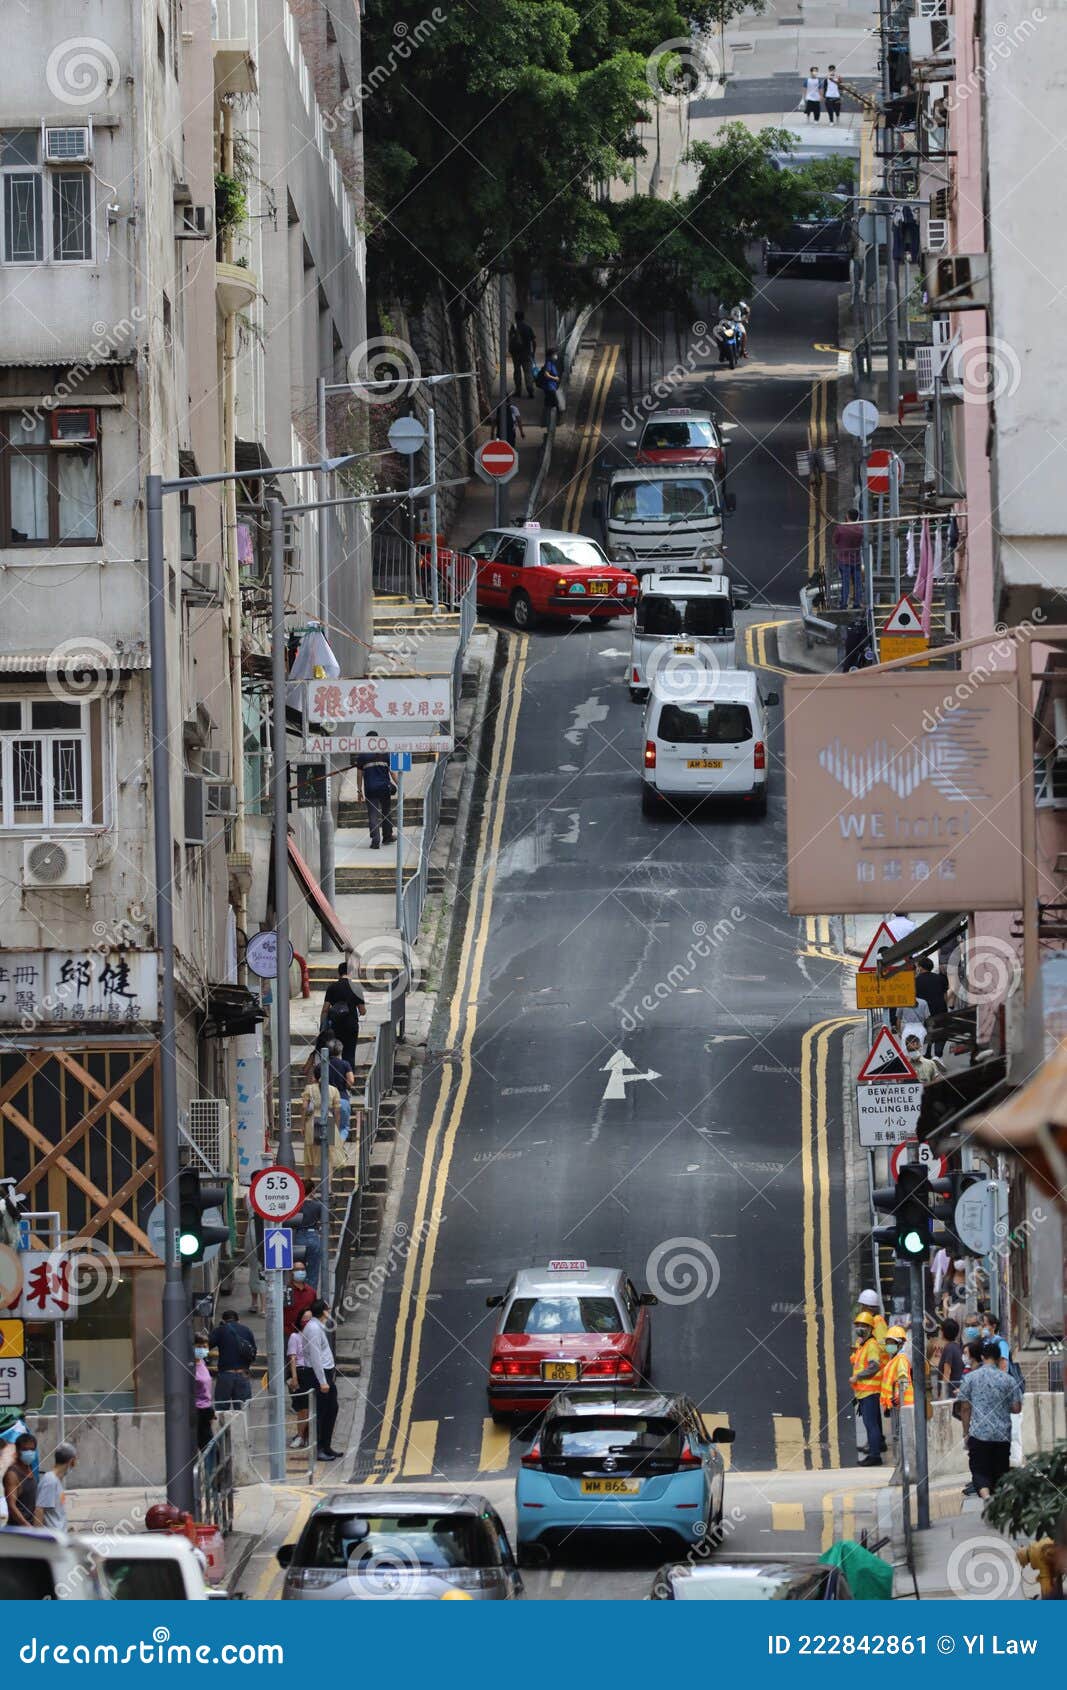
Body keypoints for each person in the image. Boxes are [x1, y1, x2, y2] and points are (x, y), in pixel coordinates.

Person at [957, 1340, 1022, 1499]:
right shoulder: (1008, 1380)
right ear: (1000, 1358)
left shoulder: (970, 1378)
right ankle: (999, 1502)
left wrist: (966, 1432)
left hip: (979, 1434)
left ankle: (986, 1498)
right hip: (1002, 1435)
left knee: (980, 1471)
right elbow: (1016, 1408)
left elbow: (965, 1408)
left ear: (982, 1357)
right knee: (1000, 1472)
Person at [304, 1298, 341, 1460]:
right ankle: (319, 1449)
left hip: (326, 1373)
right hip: (319, 1375)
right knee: (321, 1411)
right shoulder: (313, 1329)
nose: (330, 1311)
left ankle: (326, 1446)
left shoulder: (318, 1326)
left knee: (332, 1408)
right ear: (324, 1311)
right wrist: (323, 1381)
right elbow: (315, 1357)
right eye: (328, 1309)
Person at [850, 1311, 886, 1466]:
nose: (860, 1328)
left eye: (863, 1325)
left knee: (871, 1425)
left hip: (870, 1391)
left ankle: (875, 1455)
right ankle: (874, 1453)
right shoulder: (863, 1345)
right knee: (870, 1424)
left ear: (871, 1328)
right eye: (858, 1325)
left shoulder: (871, 1345)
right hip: (864, 1392)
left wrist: (858, 1377)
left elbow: (875, 1366)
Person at [301, 1067, 346, 1184]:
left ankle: (307, 1188)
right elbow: (337, 1111)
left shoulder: (309, 1088)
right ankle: (328, 1187)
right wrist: (336, 1125)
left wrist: (302, 1125)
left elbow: (304, 1108)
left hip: (312, 1121)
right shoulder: (333, 1090)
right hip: (328, 1120)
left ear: (315, 1076)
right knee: (328, 1157)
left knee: (309, 1157)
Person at [320, 960, 365, 1068]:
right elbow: (362, 1010)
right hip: (351, 1025)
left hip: (336, 1025)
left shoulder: (332, 987)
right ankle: (349, 1079)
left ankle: (334, 1078)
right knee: (349, 1054)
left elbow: (325, 1009)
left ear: (339, 973)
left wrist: (323, 1026)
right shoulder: (356, 988)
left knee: (334, 1053)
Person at [209, 1309, 257, 1407]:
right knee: (242, 1412)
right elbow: (253, 1352)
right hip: (243, 1374)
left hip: (226, 1374)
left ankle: (225, 1423)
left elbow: (206, 1346)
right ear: (238, 1320)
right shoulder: (246, 1330)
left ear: (223, 1321)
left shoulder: (220, 1330)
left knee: (222, 1409)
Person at [287, 1306, 316, 1450]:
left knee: (311, 1408)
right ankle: (299, 1435)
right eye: (305, 1319)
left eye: (311, 1319)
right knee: (302, 1409)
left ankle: (305, 1437)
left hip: (313, 1372)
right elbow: (292, 1358)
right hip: (300, 1372)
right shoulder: (295, 1337)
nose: (308, 1322)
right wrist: (294, 1377)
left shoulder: (315, 1336)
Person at [355, 749, 396, 851]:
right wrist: (400, 785)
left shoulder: (362, 756)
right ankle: (387, 836)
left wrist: (359, 791)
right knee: (386, 812)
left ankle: (375, 841)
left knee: (373, 815)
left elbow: (359, 775)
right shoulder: (386, 754)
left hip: (370, 789)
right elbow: (393, 773)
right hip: (384, 788)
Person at [292, 1184, 325, 1293]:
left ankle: (298, 1294)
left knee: (297, 1269)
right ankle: (311, 1296)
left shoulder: (295, 1205)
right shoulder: (318, 1205)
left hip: (298, 1236)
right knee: (313, 1270)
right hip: (313, 1236)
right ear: (312, 1191)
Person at [36, 1442, 76, 1530]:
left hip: (58, 1537)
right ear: (71, 1461)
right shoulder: (50, 1481)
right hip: (51, 1540)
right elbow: (39, 1510)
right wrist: (37, 1540)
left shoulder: (56, 1481)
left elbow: (54, 1513)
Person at [3, 1432, 38, 1527]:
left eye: (32, 1449)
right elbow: (11, 1506)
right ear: (18, 1451)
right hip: (18, 1530)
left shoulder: (30, 1468)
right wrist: (27, 1526)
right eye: (25, 1449)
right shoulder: (12, 1474)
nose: (29, 1452)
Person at [832, 508, 864, 609]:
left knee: (845, 582)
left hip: (844, 559)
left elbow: (835, 541)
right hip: (856, 559)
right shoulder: (860, 529)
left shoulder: (840, 528)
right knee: (857, 583)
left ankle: (843, 603)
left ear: (847, 516)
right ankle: (857, 603)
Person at [879, 1325, 914, 1416]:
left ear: (900, 1344)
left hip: (902, 1404)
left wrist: (898, 1397)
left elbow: (903, 1379)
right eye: (887, 1342)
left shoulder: (901, 1359)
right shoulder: (895, 1359)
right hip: (896, 1405)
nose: (888, 1345)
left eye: (891, 1342)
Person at [327, 1039, 356, 1142]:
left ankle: (330, 1151)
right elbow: (351, 1081)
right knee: (343, 1128)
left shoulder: (323, 1065)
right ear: (340, 1051)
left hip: (327, 1100)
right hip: (342, 1099)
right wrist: (345, 1086)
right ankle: (338, 1147)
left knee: (328, 1128)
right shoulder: (345, 1064)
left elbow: (315, 1081)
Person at [193, 1334, 215, 1451]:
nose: (203, 1349)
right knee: (207, 1449)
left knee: (209, 1448)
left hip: (206, 1409)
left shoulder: (202, 1362)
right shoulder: (189, 1366)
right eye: (199, 1346)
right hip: (196, 1411)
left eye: (205, 1346)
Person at [508, 311, 536, 398]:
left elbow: (510, 340)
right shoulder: (528, 327)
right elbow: (534, 341)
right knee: (528, 372)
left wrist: (511, 350)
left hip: (516, 354)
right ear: (523, 317)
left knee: (517, 372)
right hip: (526, 353)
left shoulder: (514, 327)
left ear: (515, 317)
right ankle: (530, 389)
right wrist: (533, 352)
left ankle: (518, 390)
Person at [284, 1264, 317, 1338]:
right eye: (297, 1269)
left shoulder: (311, 1292)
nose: (301, 1272)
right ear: (291, 1273)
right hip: (288, 1333)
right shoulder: (285, 1292)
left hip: (307, 1334)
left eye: (303, 1269)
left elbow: (314, 1312)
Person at [937, 1318, 966, 1399]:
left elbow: (947, 1372)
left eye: (941, 1329)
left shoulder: (948, 1348)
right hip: (955, 1391)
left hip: (950, 1394)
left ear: (943, 1332)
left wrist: (943, 1395)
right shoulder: (956, 1347)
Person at [538, 348, 561, 424]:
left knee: (548, 404)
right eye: (554, 354)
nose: (556, 356)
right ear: (551, 355)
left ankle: (547, 421)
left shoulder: (551, 363)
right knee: (555, 404)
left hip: (551, 387)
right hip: (549, 387)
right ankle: (552, 422)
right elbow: (546, 374)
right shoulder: (548, 363)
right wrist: (555, 378)